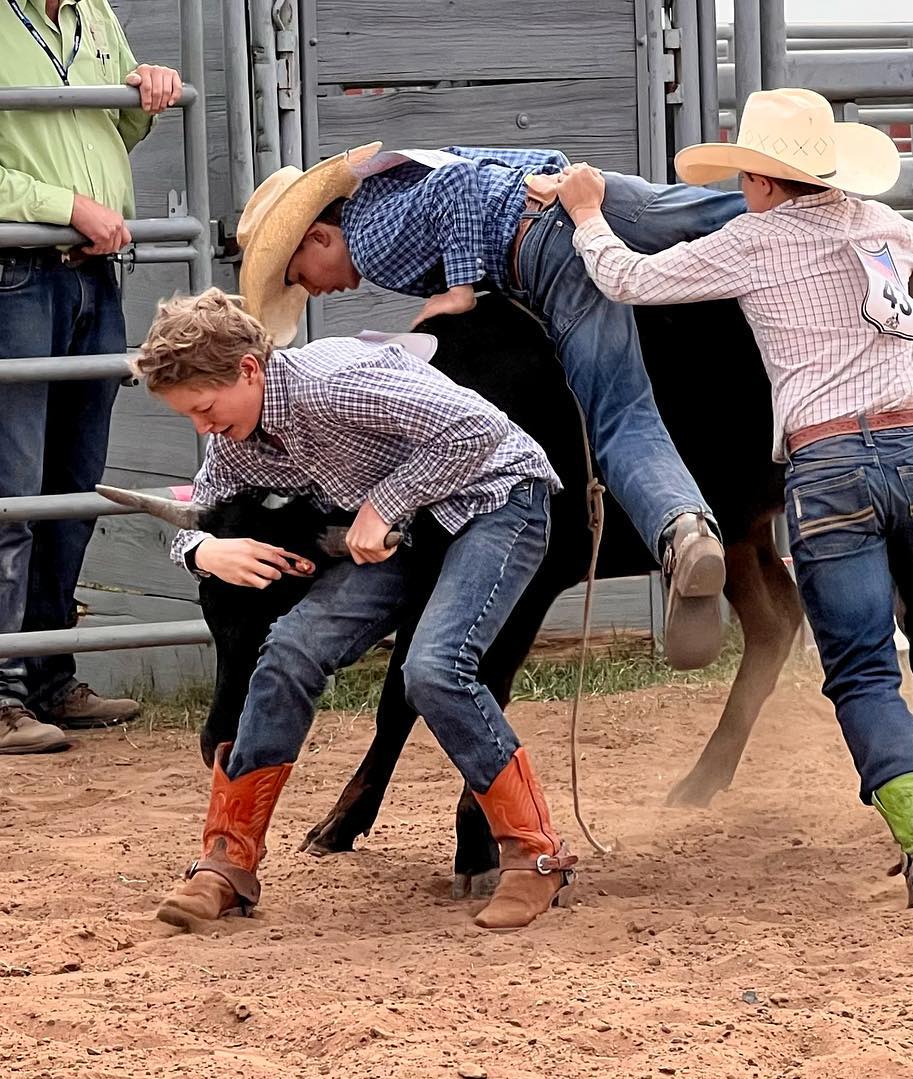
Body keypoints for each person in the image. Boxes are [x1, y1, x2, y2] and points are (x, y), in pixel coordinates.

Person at [553, 87, 913, 909]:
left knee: (862, 664)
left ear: (758, 180)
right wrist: (873, 229)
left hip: (829, 464)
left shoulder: (748, 241)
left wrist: (586, 212)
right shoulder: (873, 223)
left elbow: (625, 279)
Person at [136, 288, 576, 932]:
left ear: (250, 370)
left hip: (497, 502)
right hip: (410, 530)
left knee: (433, 669)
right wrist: (205, 550)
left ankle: (535, 856)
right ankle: (227, 862)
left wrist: (384, 503)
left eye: (205, 408)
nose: (203, 428)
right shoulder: (237, 433)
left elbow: (482, 432)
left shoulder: (334, 383)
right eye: (191, 416)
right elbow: (202, 511)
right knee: (287, 650)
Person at [232, 142, 751, 670]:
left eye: (300, 276)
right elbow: (468, 160)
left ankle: (682, 530)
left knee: (622, 418)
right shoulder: (387, 181)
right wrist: (551, 172)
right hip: (578, 195)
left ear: (319, 236)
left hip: (544, 251)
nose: (312, 291)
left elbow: (455, 183)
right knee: (730, 216)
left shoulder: (368, 243)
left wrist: (458, 289)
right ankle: (823, 208)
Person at [0, 0, 183, 753]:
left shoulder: (94, 13)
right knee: (12, 491)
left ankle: (44, 676)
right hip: (14, 272)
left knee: (72, 491)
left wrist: (146, 96)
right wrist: (64, 204)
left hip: (90, 276)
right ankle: (2, 692)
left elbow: (93, 133)